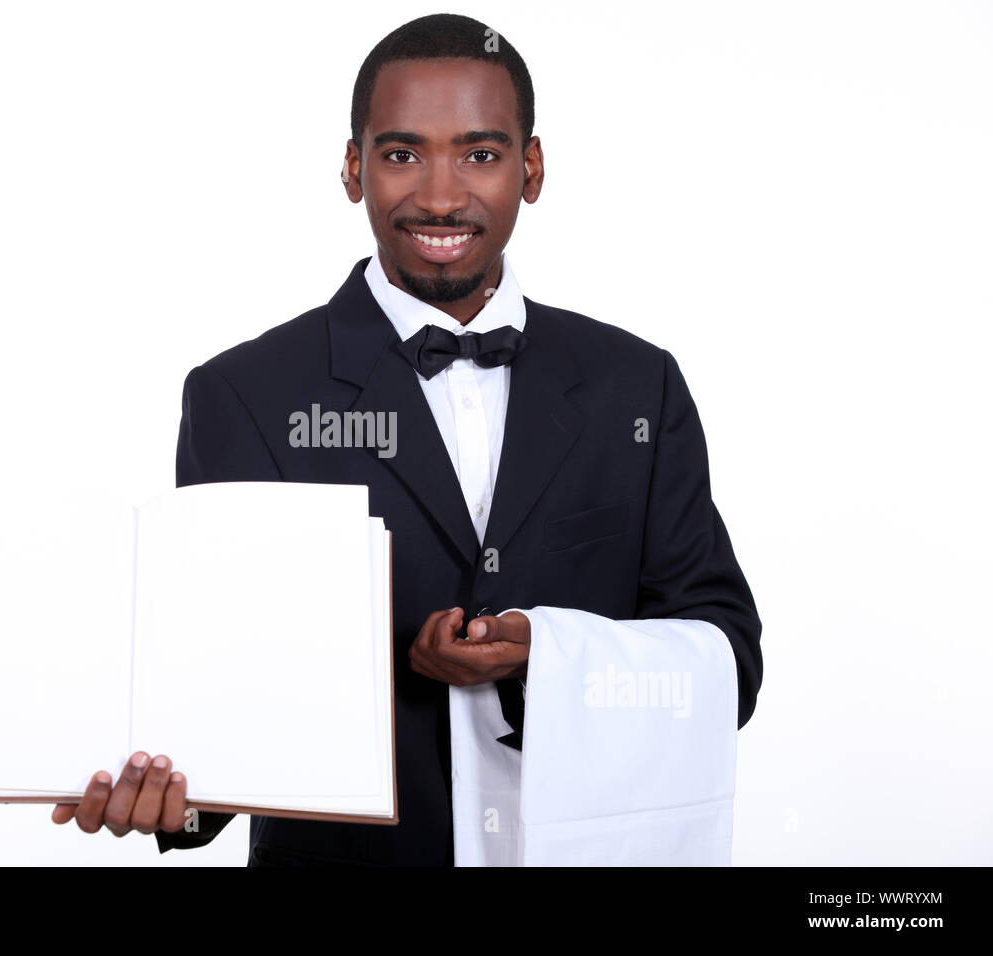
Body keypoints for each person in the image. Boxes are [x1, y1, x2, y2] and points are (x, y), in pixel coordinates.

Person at [53, 12, 762, 866]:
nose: (438, 196)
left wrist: (549, 655)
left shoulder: (636, 384)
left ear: (531, 168)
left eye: (480, 153)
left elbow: (727, 662)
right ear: (352, 168)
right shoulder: (242, 395)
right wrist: (171, 799)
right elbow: (220, 703)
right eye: (400, 154)